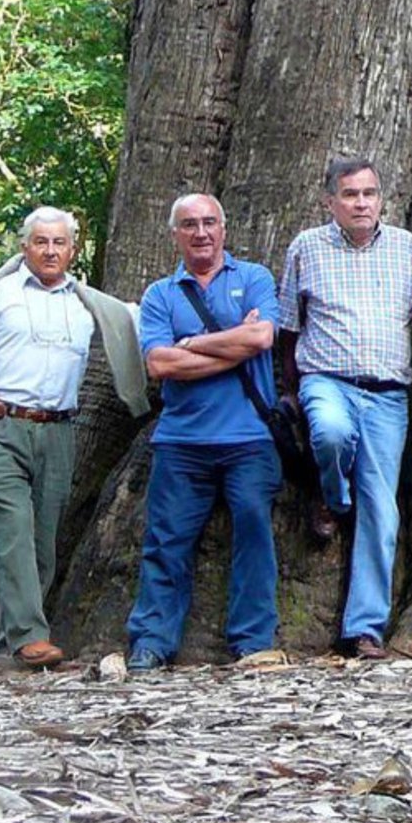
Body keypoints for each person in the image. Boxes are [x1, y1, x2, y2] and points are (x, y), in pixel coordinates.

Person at [126, 193, 283, 671]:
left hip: (250, 437)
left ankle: (253, 641)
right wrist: (231, 344)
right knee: (166, 539)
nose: (201, 232)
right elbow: (158, 363)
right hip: (181, 441)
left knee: (254, 529)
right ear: (175, 234)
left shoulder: (253, 278)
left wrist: (190, 344)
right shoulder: (161, 294)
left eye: (209, 223)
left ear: (223, 229)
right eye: (190, 224)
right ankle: (152, 641)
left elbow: (261, 338)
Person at [279, 157, 412, 660]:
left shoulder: (408, 249)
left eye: (369, 193)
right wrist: (291, 390)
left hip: (387, 394)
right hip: (327, 381)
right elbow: (288, 329)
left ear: (381, 198)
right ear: (330, 202)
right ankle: (333, 496)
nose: (361, 202)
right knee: (331, 435)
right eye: (349, 194)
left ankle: (364, 628)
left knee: (383, 513)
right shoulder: (307, 248)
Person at [0, 207, 149, 669]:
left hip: (60, 429)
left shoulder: (88, 304)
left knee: (44, 539)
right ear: (25, 247)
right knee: (12, 530)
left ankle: (7, 642)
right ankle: (29, 635)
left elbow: (144, 323)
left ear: (72, 249)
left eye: (58, 243)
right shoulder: (1, 294)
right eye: (40, 242)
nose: (49, 251)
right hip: (3, 428)